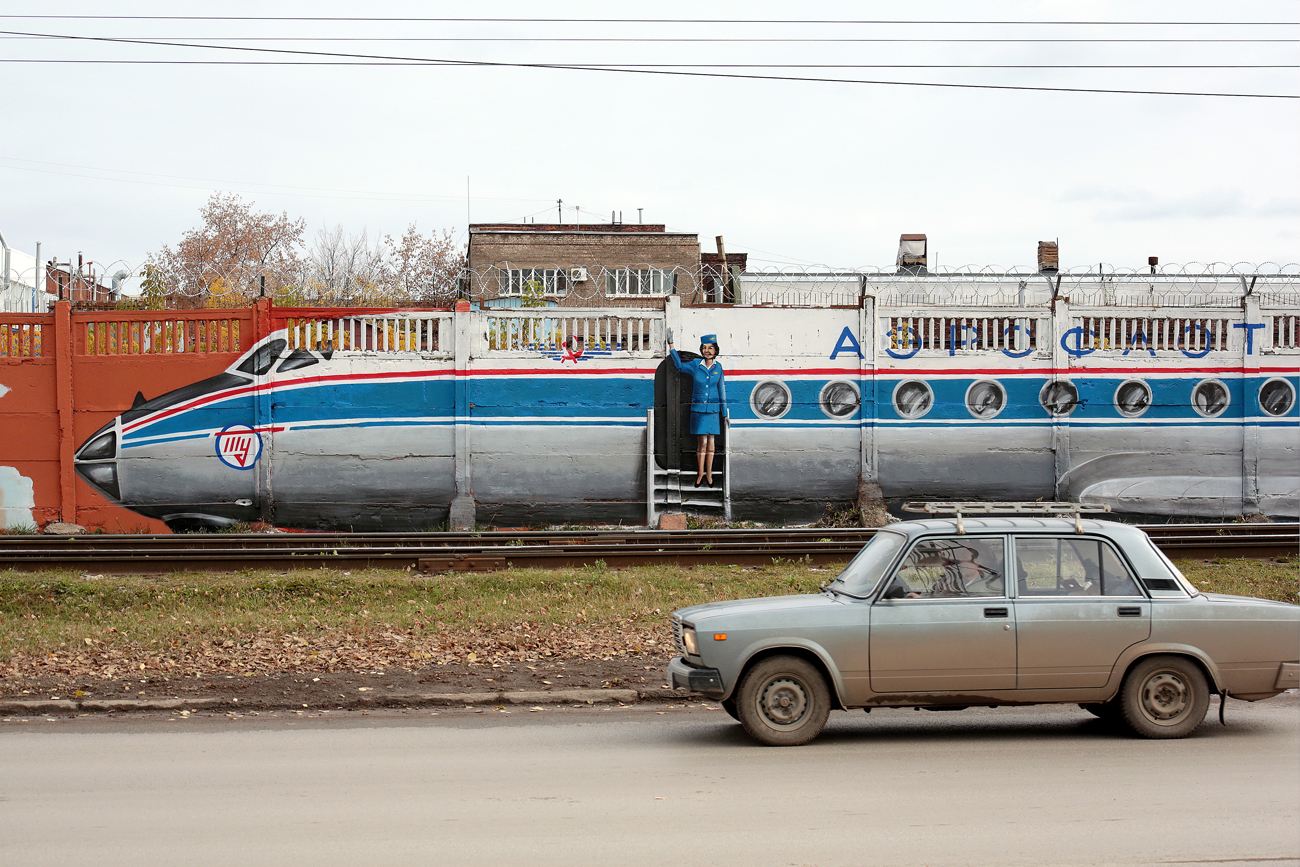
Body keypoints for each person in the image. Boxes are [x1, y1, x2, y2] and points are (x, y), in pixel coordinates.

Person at [667, 328, 728, 487]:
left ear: (716, 350)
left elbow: (721, 390)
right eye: (704, 348)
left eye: (710, 348)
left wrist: (724, 413)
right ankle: (700, 473)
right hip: (698, 411)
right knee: (702, 444)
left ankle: (709, 474)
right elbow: (679, 366)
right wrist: (671, 345)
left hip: (713, 411)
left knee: (712, 445)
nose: (707, 351)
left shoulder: (719, 367)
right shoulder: (695, 365)